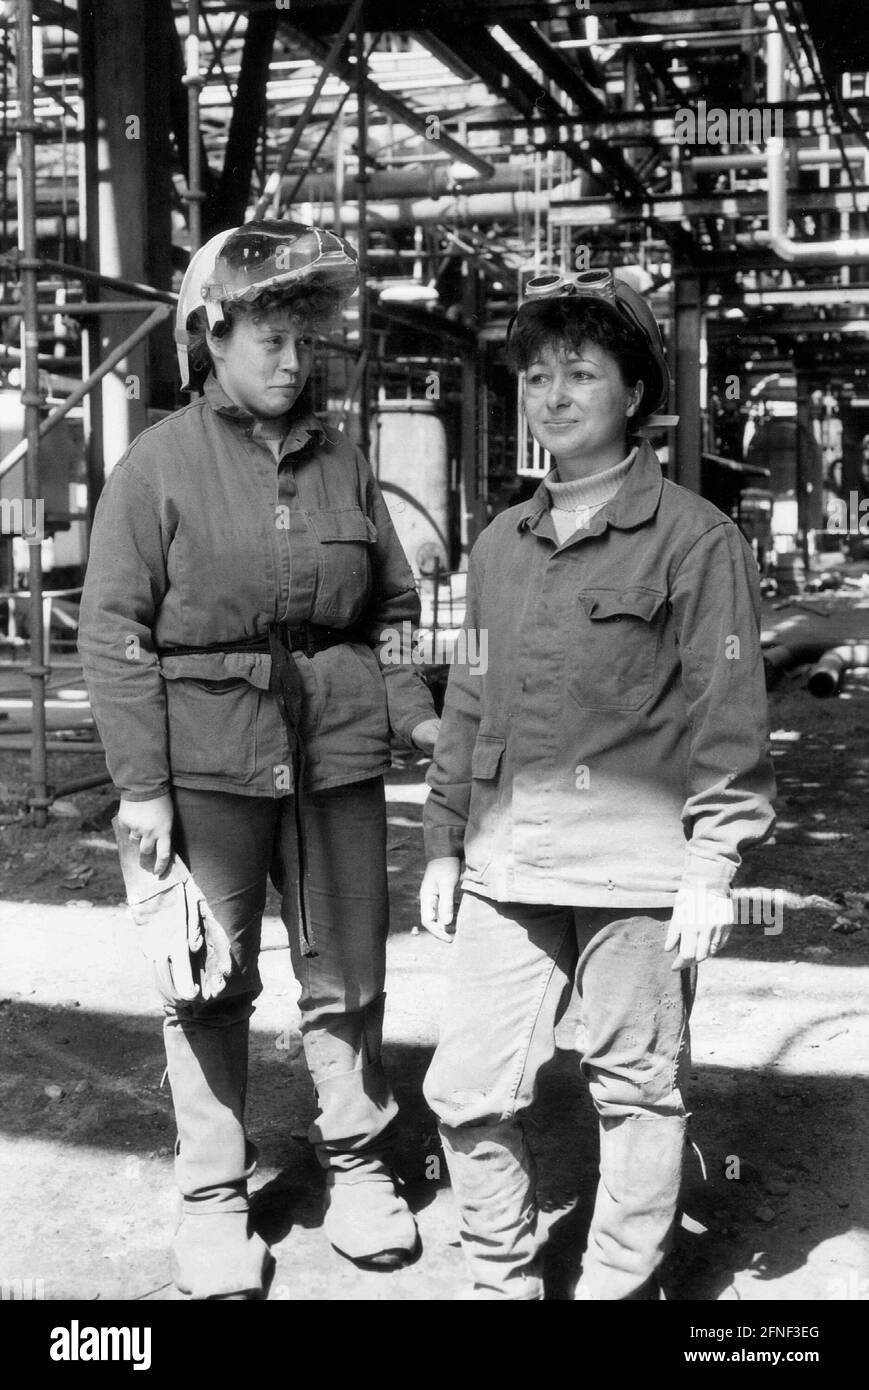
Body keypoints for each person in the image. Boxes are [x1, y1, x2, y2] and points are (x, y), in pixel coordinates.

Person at [79, 220, 440, 1299]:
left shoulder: (344, 463)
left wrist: (416, 713)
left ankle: (362, 1169)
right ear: (210, 336)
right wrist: (141, 786)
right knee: (205, 978)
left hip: (335, 755)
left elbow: (392, 606)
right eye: (269, 336)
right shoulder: (156, 469)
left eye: (303, 338)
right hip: (207, 760)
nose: (293, 357)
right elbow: (113, 631)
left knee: (350, 973)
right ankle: (210, 1198)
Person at [419, 267, 776, 1300]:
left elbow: (727, 716)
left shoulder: (694, 541)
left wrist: (713, 863)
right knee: (465, 1089)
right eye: (535, 376)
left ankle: (618, 1286)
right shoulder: (496, 545)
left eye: (579, 372)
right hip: (506, 862)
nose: (552, 395)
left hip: (634, 871)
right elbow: (470, 704)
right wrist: (443, 836)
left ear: (632, 393)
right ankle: (502, 1280)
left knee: (635, 1091)